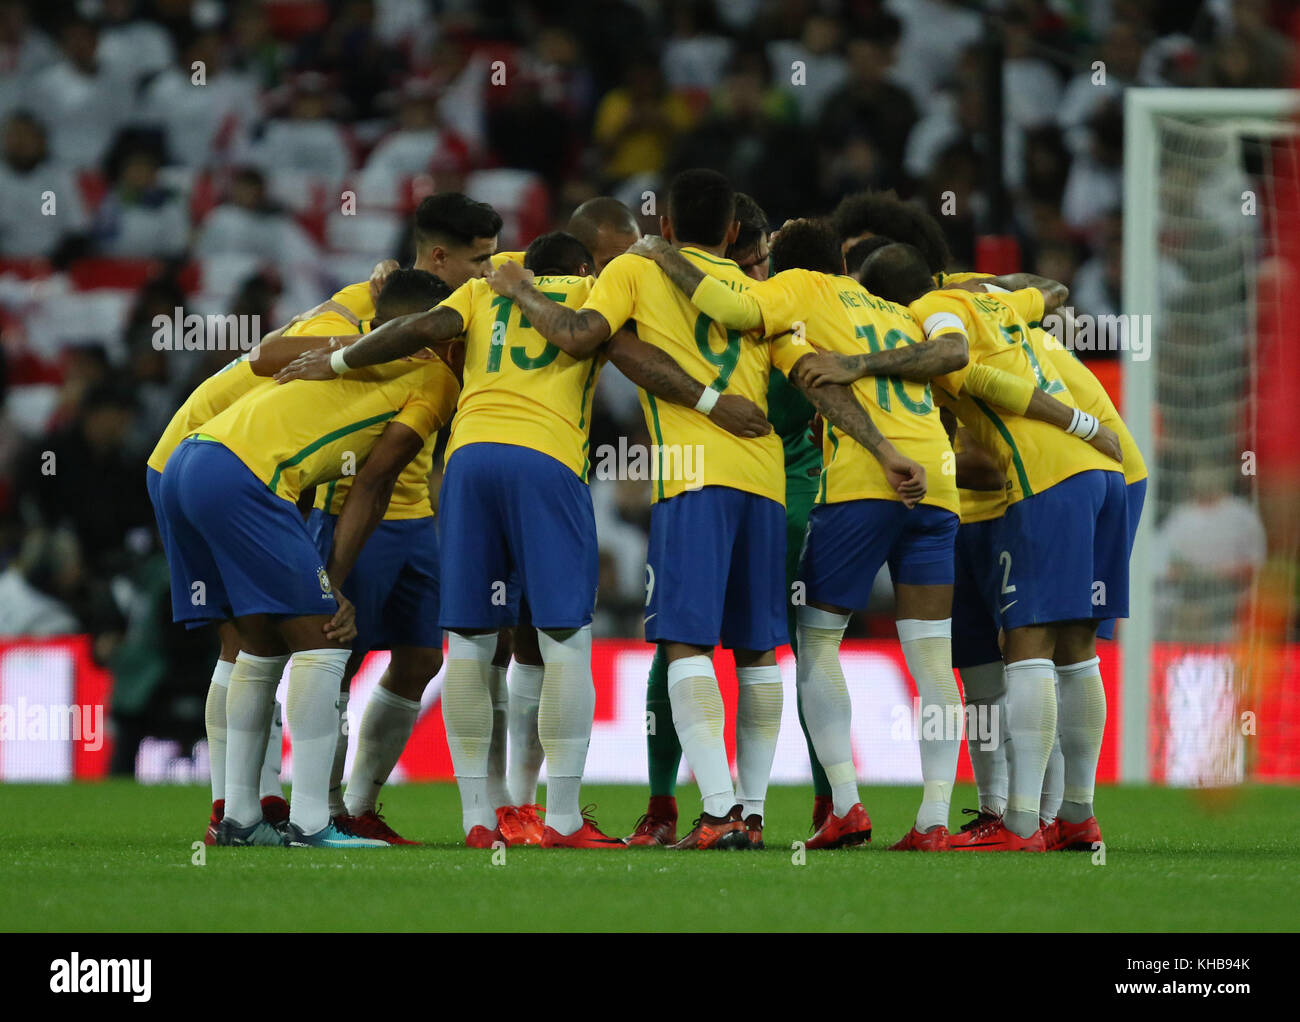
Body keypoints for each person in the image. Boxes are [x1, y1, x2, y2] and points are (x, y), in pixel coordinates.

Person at [276, 227, 771, 848]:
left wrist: (343, 356)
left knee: (469, 645)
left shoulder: (485, 290)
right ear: (584, 265)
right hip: (547, 462)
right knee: (565, 641)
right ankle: (561, 817)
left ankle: (479, 820)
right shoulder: (597, 291)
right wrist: (710, 402)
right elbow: (633, 357)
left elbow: (422, 328)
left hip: (470, 460)